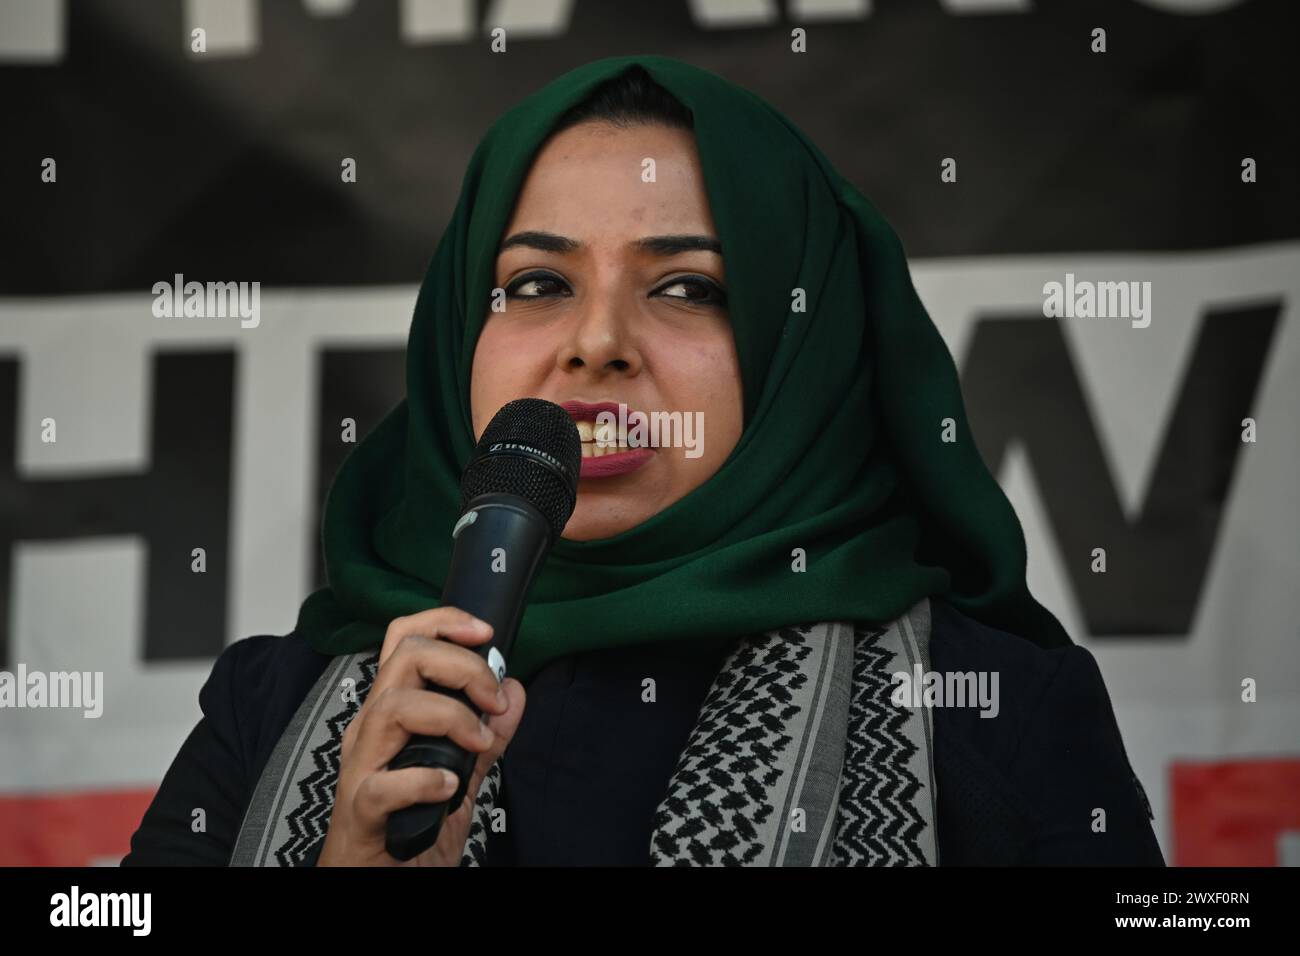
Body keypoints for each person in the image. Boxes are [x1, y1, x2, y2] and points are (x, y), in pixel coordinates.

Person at [123, 55, 1164, 867]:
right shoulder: (270, 707)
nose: (596, 340)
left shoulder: (992, 709)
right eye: (534, 283)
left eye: (686, 288)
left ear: (801, 355)